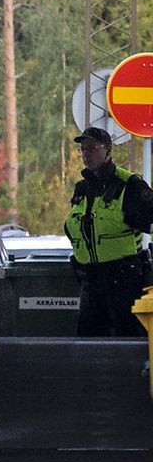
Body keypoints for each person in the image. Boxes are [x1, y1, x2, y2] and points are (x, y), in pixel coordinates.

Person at [64, 127, 153, 337]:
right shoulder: (82, 189)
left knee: (125, 340)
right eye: (83, 149)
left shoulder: (129, 185)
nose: (87, 154)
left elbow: (148, 221)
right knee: (88, 342)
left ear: (108, 150)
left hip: (123, 280)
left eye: (93, 148)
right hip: (91, 280)